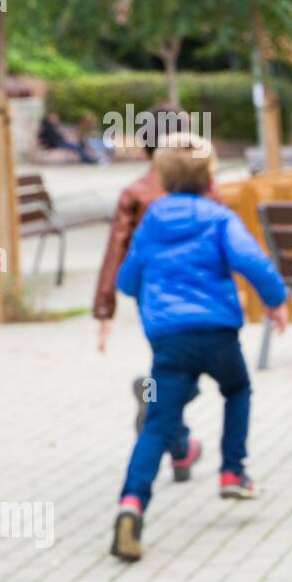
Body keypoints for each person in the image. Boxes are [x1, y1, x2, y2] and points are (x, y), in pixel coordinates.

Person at [111, 132, 288, 562]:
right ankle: (232, 470)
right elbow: (253, 261)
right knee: (237, 389)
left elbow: (127, 279)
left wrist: (151, 293)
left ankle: (131, 505)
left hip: (169, 339)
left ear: (163, 178)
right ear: (210, 178)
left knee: (157, 423)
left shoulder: (151, 222)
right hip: (218, 333)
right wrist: (276, 300)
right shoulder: (219, 217)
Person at [95, 108, 217, 478]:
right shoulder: (206, 190)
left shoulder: (134, 192)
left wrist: (105, 309)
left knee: (171, 368)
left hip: (154, 302)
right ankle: (158, 403)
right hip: (204, 300)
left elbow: (116, 250)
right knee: (198, 371)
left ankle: (180, 449)